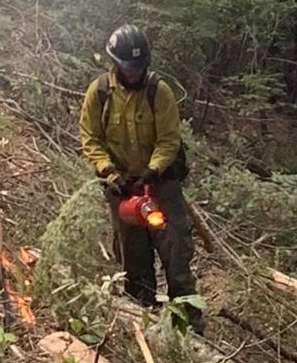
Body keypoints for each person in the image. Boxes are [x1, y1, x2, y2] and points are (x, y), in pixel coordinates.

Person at [79, 24, 204, 332]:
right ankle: (142, 325)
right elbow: (90, 138)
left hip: (160, 186)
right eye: (128, 68)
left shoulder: (158, 92)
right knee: (134, 264)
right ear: (115, 64)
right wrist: (108, 171)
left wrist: (155, 168)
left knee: (176, 257)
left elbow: (169, 139)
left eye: (139, 67)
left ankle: (189, 328)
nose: (134, 74)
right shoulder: (100, 93)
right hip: (122, 189)